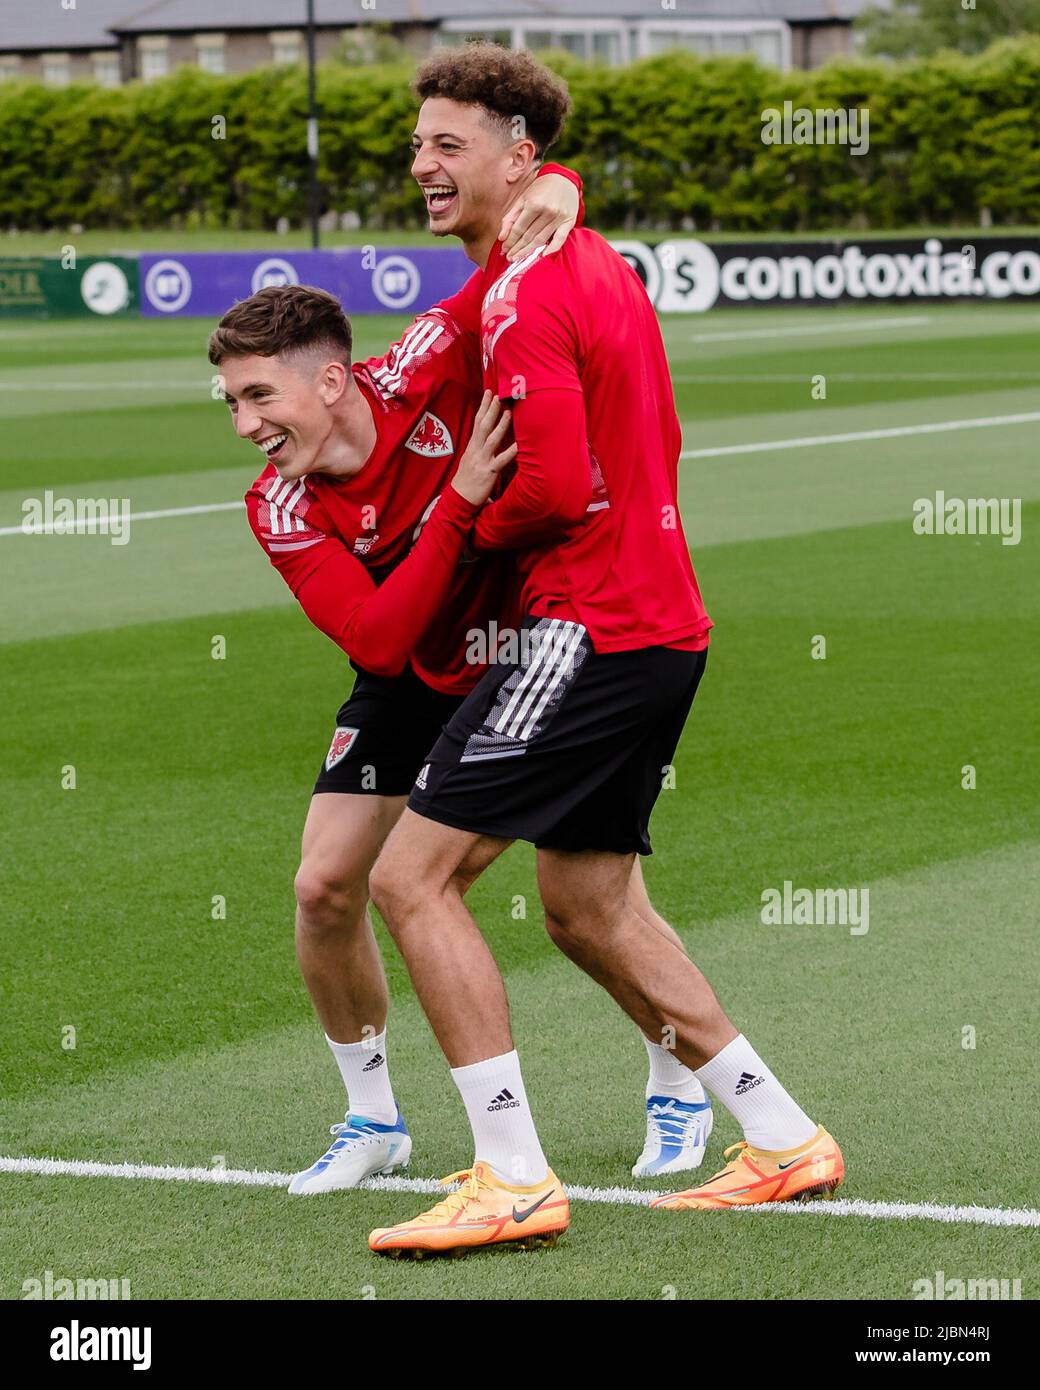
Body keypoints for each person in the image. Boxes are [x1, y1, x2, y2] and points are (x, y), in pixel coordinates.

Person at [366, 44, 844, 1258]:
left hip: (583, 623)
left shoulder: (531, 289)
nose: (420, 162)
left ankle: (510, 1173)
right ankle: (784, 1138)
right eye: (418, 142)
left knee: (410, 878)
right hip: (654, 624)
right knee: (583, 904)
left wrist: (454, 525)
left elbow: (553, 486)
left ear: (514, 154)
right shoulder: (556, 260)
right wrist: (560, 183)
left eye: (446, 143)